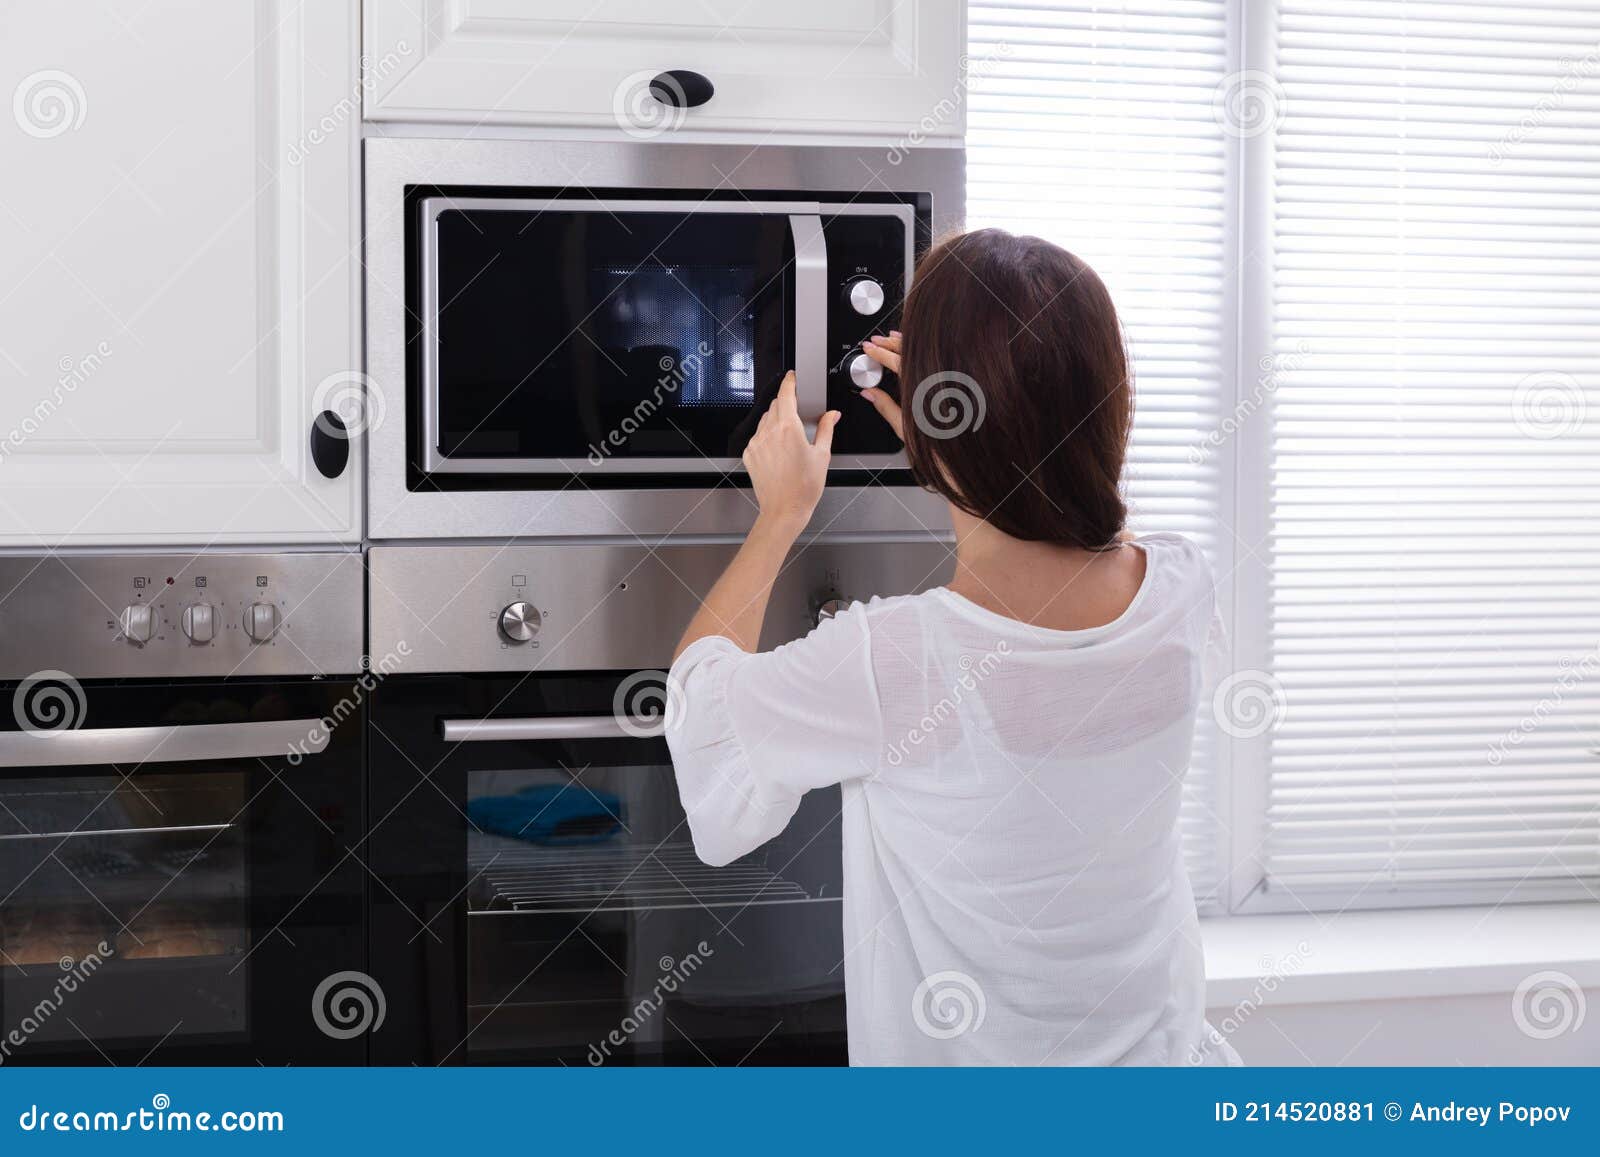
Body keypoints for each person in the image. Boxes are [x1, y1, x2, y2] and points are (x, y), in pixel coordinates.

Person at [665, 228, 1233, 1066]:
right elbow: (1070, 532)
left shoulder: (894, 658)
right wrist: (958, 443)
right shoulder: (1184, 585)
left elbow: (703, 720)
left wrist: (781, 513)